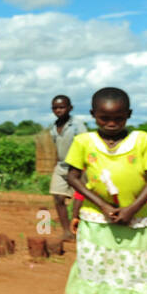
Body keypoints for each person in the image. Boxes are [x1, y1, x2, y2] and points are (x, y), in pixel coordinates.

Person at [64, 87, 147, 294]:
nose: (111, 124)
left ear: (128, 115)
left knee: (135, 273)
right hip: (97, 220)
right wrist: (104, 206)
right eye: (104, 118)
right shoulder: (84, 142)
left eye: (118, 118)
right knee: (101, 271)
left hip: (136, 220)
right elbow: (73, 176)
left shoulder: (142, 140)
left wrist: (132, 209)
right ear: (93, 115)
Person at [47, 95, 87, 240]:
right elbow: (57, 147)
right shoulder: (53, 126)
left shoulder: (77, 125)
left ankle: (77, 229)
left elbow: (85, 143)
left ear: (70, 108)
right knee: (58, 197)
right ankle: (66, 231)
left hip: (77, 166)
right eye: (55, 108)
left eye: (62, 107)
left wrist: (84, 166)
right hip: (61, 166)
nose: (58, 110)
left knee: (80, 200)